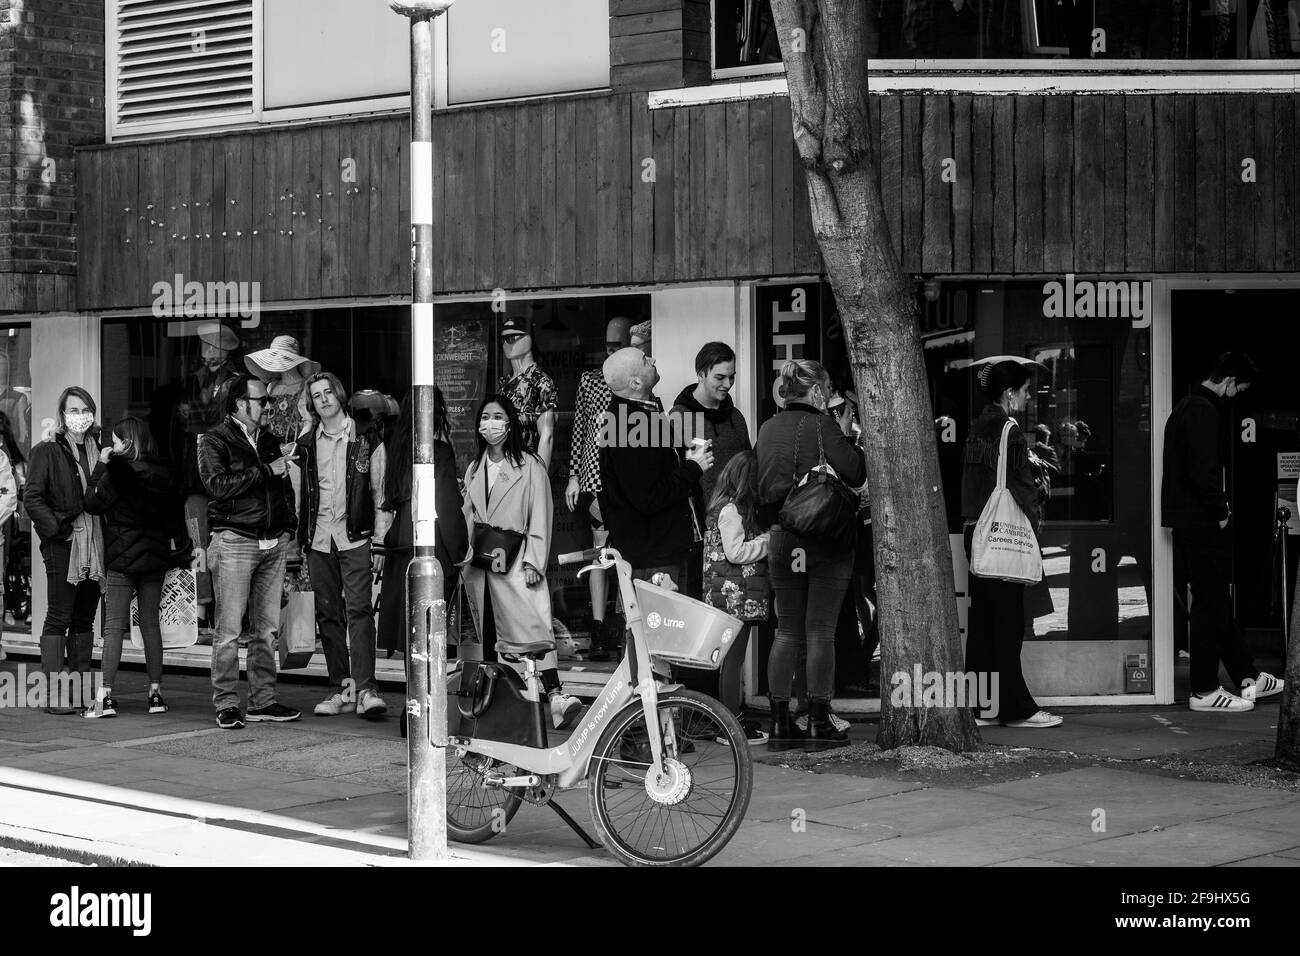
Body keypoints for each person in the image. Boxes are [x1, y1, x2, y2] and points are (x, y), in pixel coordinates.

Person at [1161, 352, 1284, 712]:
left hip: (1188, 520)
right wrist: (1221, 511)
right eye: (1238, 389)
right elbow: (1205, 471)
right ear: (1229, 381)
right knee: (1208, 603)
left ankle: (1247, 676)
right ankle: (1203, 688)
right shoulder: (1203, 410)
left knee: (1213, 601)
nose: (1236, 396)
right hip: (1202, 521)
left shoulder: (1185, 406)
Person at [756, 360, 865, 749]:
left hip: (784, 538)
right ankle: (819, 720)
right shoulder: (822, 426)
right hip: (824, 539)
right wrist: (848, 432)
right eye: (828, 387)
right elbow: (855, 473)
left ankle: (780, 722)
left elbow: (760, 485)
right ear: (817, 391)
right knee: (819, 632)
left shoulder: (767, 428)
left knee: (786, 630)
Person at [460, 394, 582, 730]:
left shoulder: (529, 466)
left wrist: (534, 562)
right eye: (485, 417)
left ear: (510, 423)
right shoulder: (474, 467)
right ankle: (497, 703)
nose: (490, 424)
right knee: (488, 637)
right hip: (480, 562)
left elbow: (541, 514)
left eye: (497, 416)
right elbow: (467, 518)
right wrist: (459, 558)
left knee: (531, 631)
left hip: (517, 560)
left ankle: (555, 695)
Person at [199, 374, 302, 729]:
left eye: (268, 401)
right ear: (240, 404)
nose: (268, 407)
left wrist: (289, 528)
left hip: (273, 541)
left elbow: (284, 487)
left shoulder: (271, 440)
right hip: (235, 540)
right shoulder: (214, 439)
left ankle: (262, 700)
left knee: (267, 629)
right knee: (228, 631)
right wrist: (264, 471)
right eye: (262, 401)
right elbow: (216, 486)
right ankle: (226, 703)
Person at [962, 360, 1059, 728]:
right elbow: (1022, 488)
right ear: (1009, 394)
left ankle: (981, 707)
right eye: (1025, 390)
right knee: (1007, 625)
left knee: (983, 624)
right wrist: (1039, 496)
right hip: (1003, 535)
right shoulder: (1009, 430)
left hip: (978, 531)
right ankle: (1018, 708)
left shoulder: (976, 428)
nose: (1029, 396)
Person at [295, 371, 389, 719]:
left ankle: (366, 689)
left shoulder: (366, 436)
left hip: (356, 537)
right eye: (316, 395)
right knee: (328, 615)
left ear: (339, 394)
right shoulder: (306, 444)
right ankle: (341, 689)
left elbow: (380, 492)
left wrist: (380, 541)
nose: (323, 399)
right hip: (319, 539)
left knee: (360, 611)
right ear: (312, 404)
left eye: (327, 392)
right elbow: (299, 496)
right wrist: (299, 543)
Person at [81, 416, 187, 718]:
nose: (111, 446)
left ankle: (106, 696)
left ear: (126, 443)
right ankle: (155, 694)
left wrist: (101, 465)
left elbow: (92, 503)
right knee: (150, 624)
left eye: (115, 441)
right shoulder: (163, 473)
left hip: (122, 560)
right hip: (154, 559)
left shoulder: (116, 474)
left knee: (113, 625)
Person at [599, 347, 713, 594]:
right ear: (636, 381)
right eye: (644, 360)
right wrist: (694, 467)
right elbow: (647, 497)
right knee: (660, 632)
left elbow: (656, 470)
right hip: (653, 558)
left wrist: (687, 457)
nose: (652, 359)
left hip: (660, 552)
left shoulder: (640, 415)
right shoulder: (628, 425)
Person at [26, 387, 104, 715]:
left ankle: (80, 690)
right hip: (63, 544)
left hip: (95, 545)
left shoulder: (99, 448)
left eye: (86, 409)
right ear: (62, 414)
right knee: (59, 615)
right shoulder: (47, 450)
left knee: (85, 617)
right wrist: (57, 528)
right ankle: (52, 693)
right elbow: (32, 497)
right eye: (74, 410)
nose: (81, 416)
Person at [376, 387, 466, 657]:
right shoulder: (439, 452)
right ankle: (430, 698)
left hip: (401, 546)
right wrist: (461, 552)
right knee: (432, 632)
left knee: (410, 632)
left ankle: (413, 697)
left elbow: (388, 500)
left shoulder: (397, 451)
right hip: (434, 545)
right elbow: (448, 507)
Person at [565, 317, 633, 660]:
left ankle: (624, 624)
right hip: (595, 477)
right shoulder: (591, 381)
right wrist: (574, 475)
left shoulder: (637, 382)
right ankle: (597, 625)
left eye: (619, 346)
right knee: (600, 551)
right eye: (608, 346)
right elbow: (579, 428)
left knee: (625, 554)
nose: (612, 352)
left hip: (627, 481)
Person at [670, 342, 752, 596]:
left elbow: (748, 466)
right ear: (701, 374)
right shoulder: (679, 418)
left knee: (738, 608)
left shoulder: (735, 416)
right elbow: (675, 477)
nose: (727, 384)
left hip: (739, 527)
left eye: (732, 377)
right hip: (700, 535)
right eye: (720, 377)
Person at [702, 450, 770, 744]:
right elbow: (736, 552)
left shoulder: (721, 507)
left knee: (730, 659)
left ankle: (727, 720)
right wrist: (768, 540)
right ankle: (729, 724)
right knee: (733, 660)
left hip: (727, 596)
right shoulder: (731, 511)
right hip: (735, 599)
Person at [497, 316, 557, 469]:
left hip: (527, 467)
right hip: (502, 466)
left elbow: (546, 436)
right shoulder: (504, 383)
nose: (505, 343)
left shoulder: (541, 382)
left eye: (511, 338)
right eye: (502, 339)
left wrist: (539, 478)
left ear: (528, 339)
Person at [245, 334, 321, 444]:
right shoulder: (272, 387)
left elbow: (308, 422)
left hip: (294, 444)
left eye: (279, 356)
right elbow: (262, 417)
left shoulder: (305, 387)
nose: (275, 360)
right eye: (273, 356)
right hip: (271, 446)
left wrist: (297, 447)